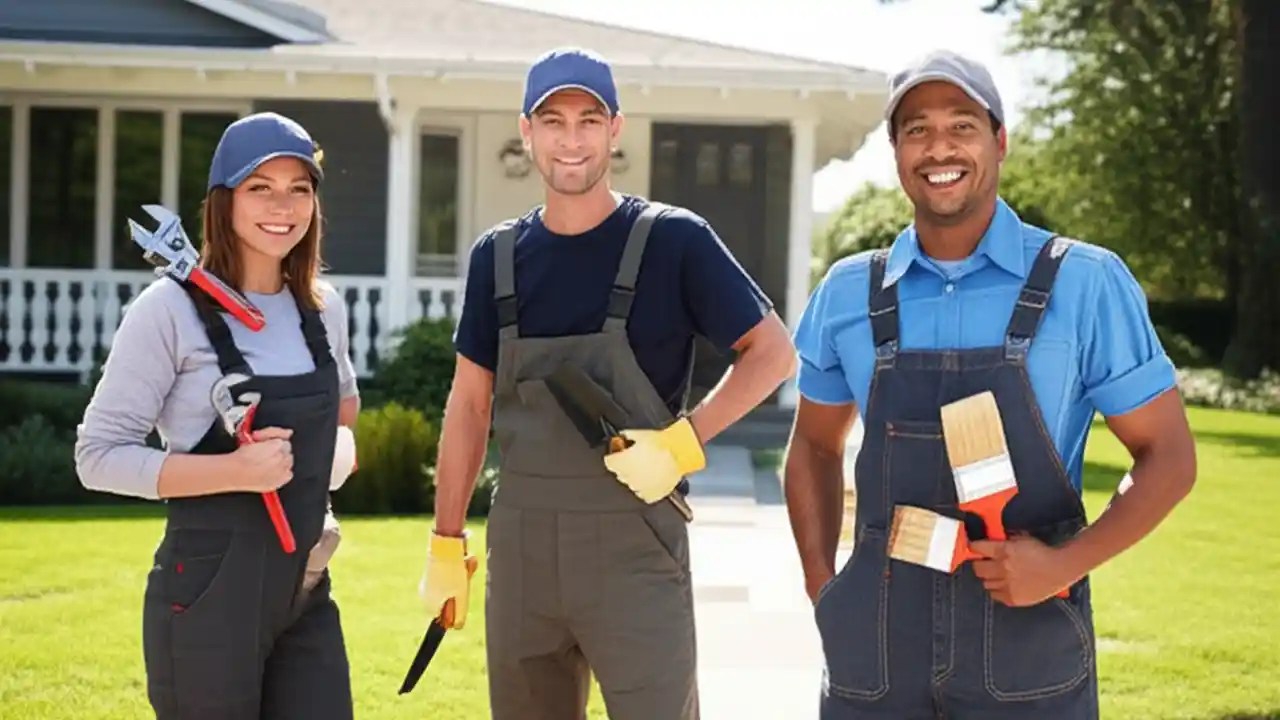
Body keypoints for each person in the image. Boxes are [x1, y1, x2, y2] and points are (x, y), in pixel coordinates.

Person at [784, 50, 1197, 719]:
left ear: (999, 141)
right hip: (877, 650)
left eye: (962, 125)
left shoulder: (1086, 284)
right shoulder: (846, 293)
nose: (938, 147)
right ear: (895, 151)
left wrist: (1064, 565)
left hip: (1028, 645)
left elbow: (1169, 456)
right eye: (916, 129)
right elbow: (814, 447)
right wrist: (823, 586)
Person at [416, 46, 796, 720]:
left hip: (635, 547)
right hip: (523, 548)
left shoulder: (675, 241)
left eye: (588, 120)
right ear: (527, 131)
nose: (571, 140)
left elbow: (772, 354)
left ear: (615, 129)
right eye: (552, 121)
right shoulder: (496, 258)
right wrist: (447, 542)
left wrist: (683, 444)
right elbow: (470, 406)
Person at [74, 111, 361, 720]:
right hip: (207, 595)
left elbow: (342, 401)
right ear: (223, 201)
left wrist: (336, 446)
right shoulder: (167, 311)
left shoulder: (323, 308)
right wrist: (236, 472)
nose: (282, 205)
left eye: (299, 189)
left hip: (304, 589)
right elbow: (97, 457)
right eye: (261, 187)